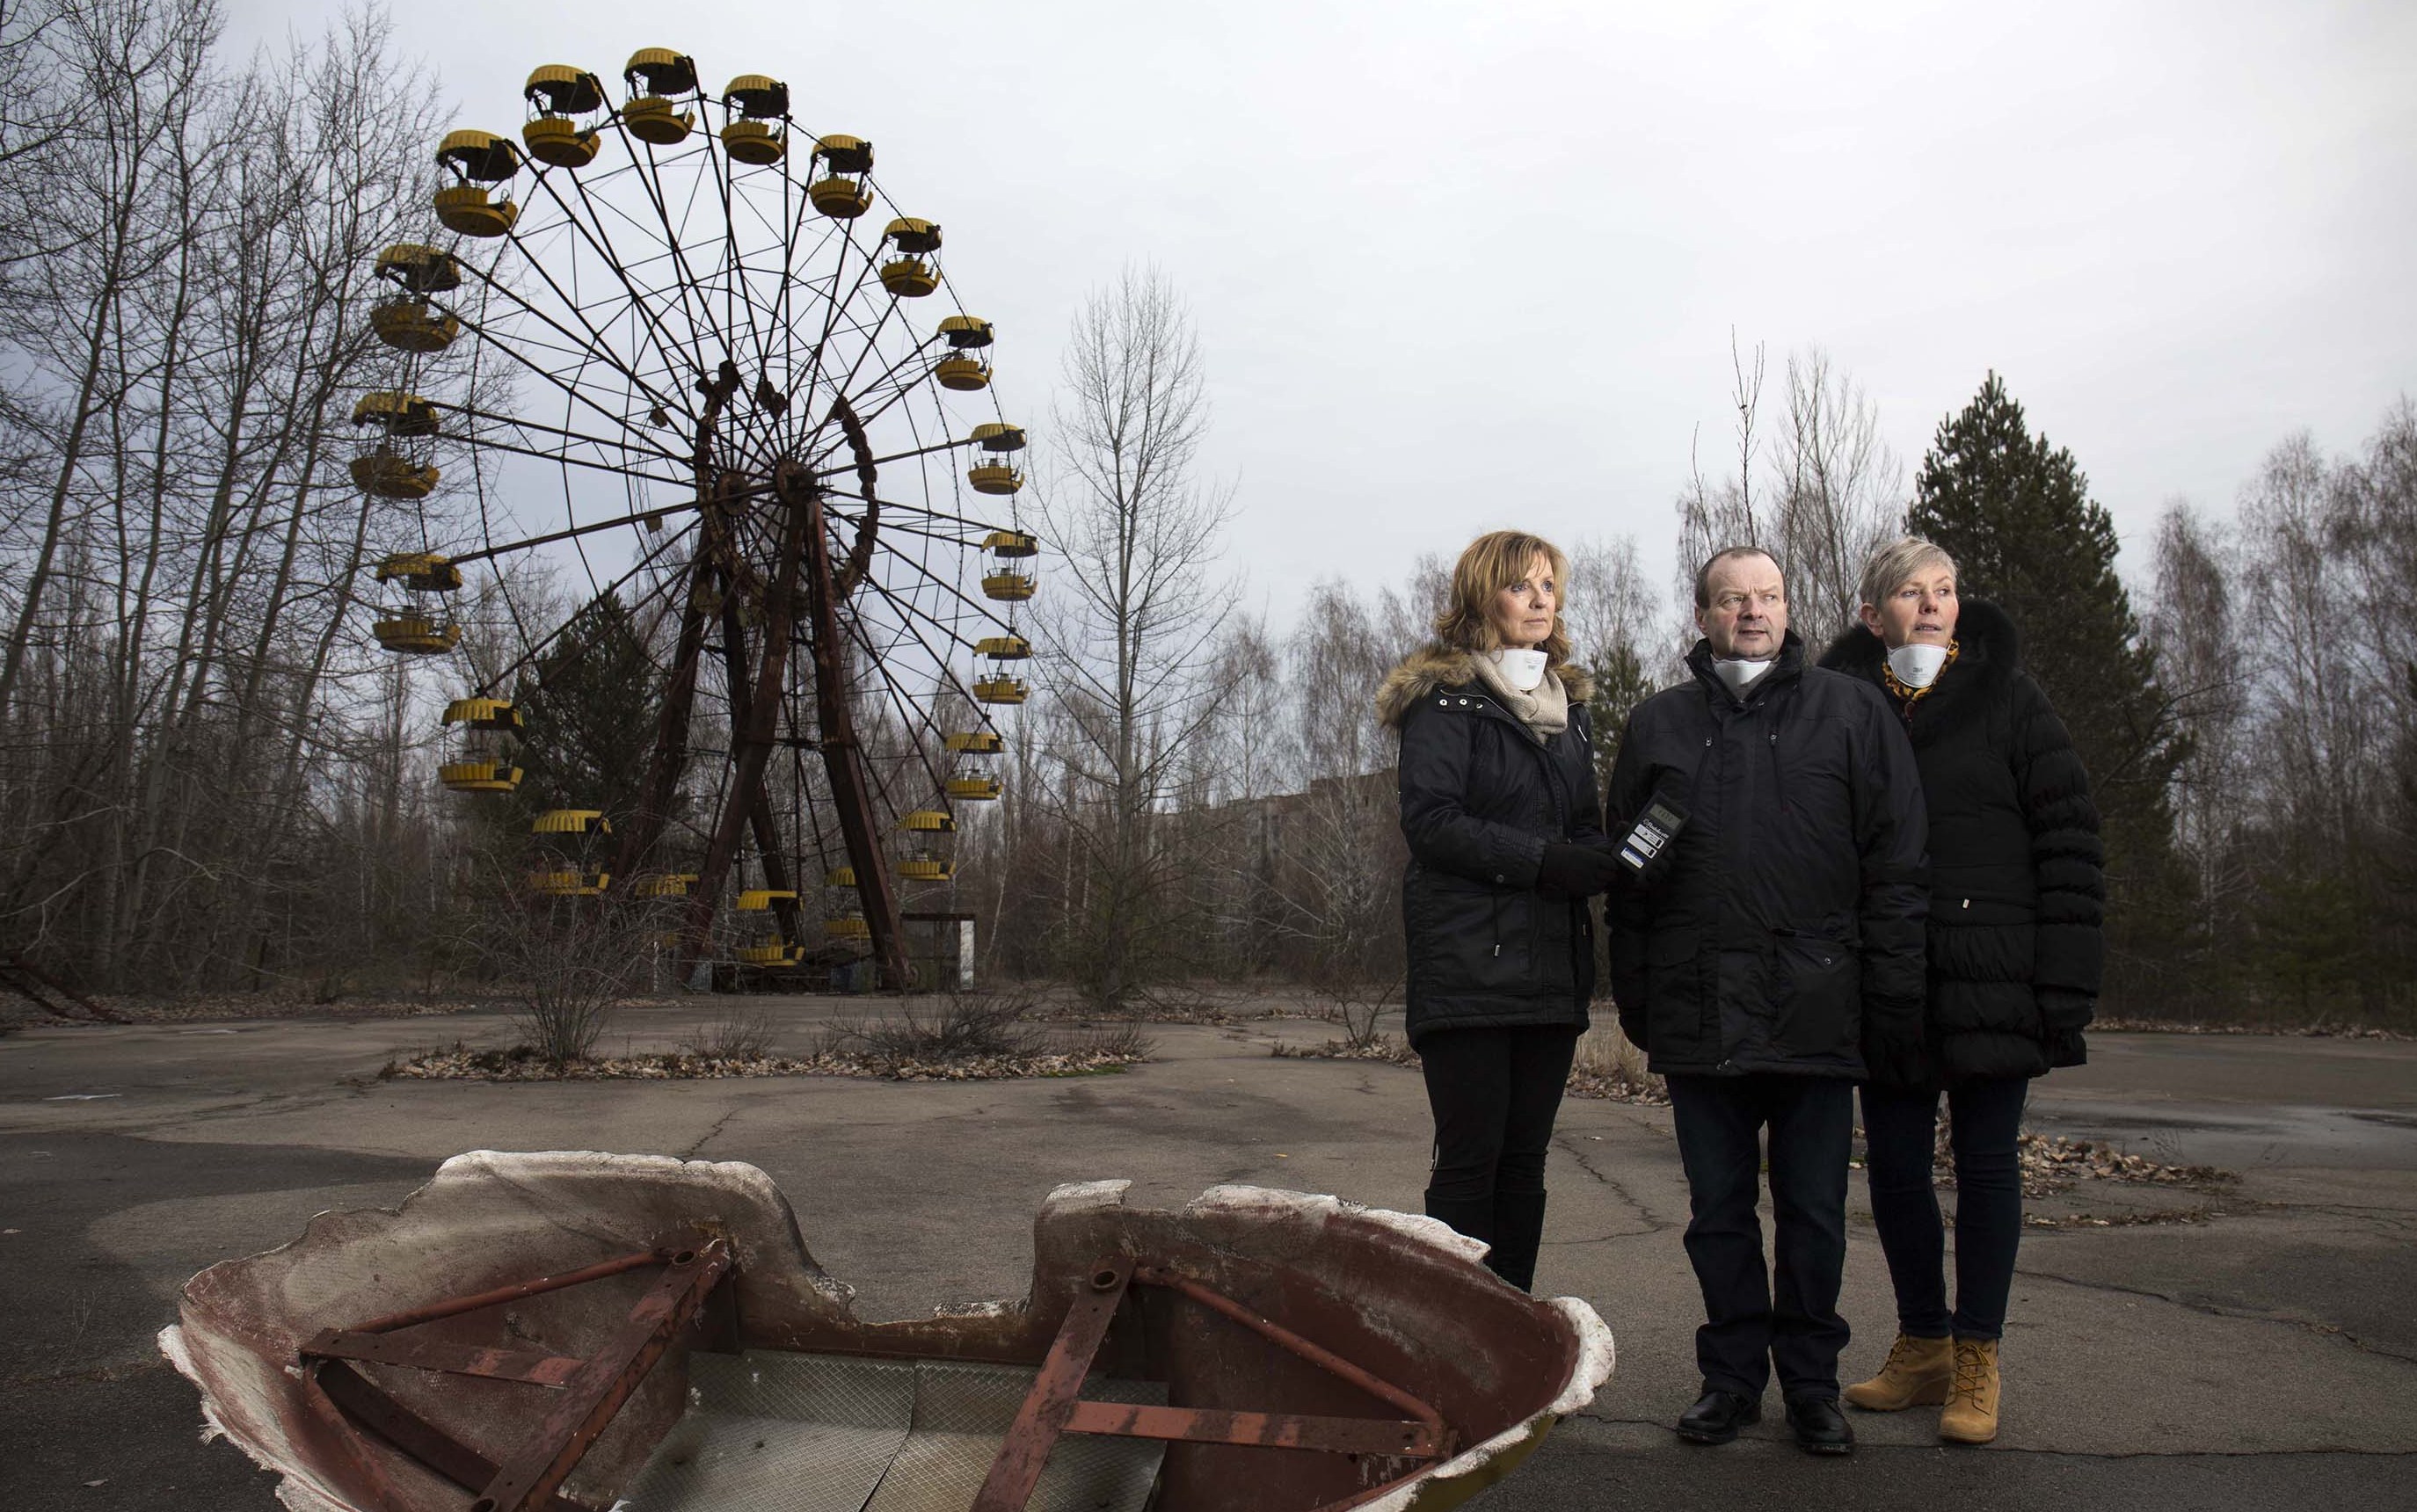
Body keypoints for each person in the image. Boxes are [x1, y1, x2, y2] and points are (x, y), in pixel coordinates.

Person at [1605, 545, 1927, 1456]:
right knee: (1717, 1214)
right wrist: (1636, 994)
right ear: (1702, 616)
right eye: (1731, 598)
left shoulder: (1853, 712)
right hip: (1697, 1007)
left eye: (1768, 596)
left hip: (1817, 1007)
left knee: (1815, 1213)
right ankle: (1731, 1379)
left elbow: (1897, 865)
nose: (1752, 611)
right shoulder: (1658, 724)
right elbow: (1626, 875)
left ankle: (1812, 1386)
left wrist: (1892, 993)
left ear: (1790, 608)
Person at [1820, 537, 2102, 1445]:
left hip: (1994, 977)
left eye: (1945, 590)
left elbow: (2069, 842)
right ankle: (1923, 1344)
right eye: (1911, 593)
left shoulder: (2011, 702)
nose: (1934, 605)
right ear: (1873, 615)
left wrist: (2062, 985)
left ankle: (1978, 1354)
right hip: (1887, 980)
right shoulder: (1842, 708)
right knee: (1897, 1170)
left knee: (1985, 1166)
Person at [1377, 529, 1622, 1293]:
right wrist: (1548, 862)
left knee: (1524, 1162)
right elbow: (1434, 824)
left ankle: (1512, 1328)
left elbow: (1581, 821)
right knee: (1470, 1161)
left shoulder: (1568, 709)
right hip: (1468, 971)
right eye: (1522, 586)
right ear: (1483, 598)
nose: (1540, 600)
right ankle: (1451, 1336)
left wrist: (1602, 858)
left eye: (1549, 585)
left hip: (1550, 968)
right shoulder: (1443, 704)